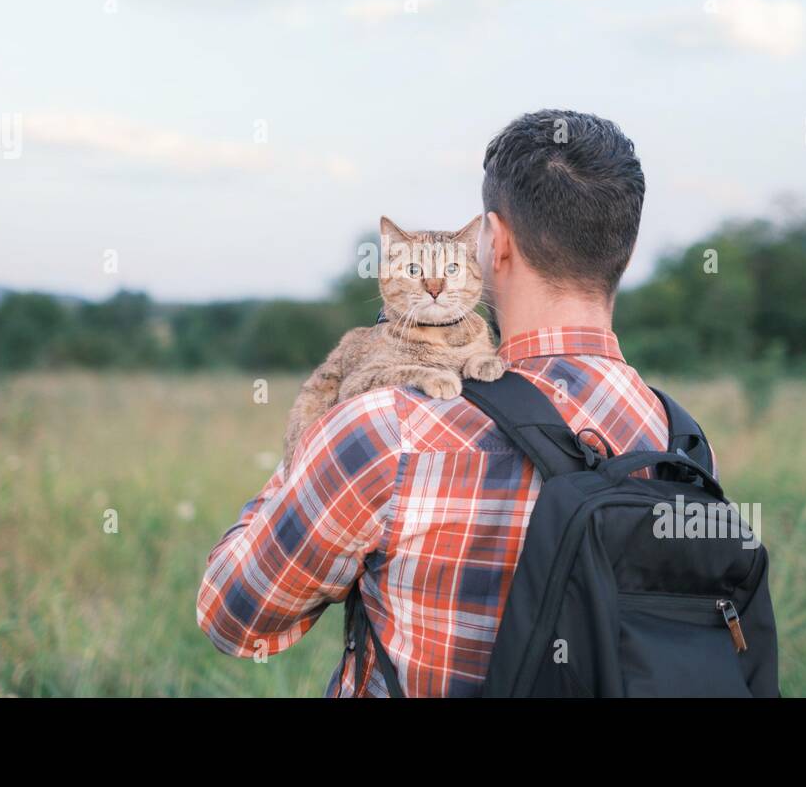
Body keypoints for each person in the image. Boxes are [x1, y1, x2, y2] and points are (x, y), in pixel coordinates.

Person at [197, 109, 698, 696]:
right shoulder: (679, 442)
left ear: (496, 245)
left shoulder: (384, 428)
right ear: (626, 252)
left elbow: (234, 621)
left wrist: (304, 451)